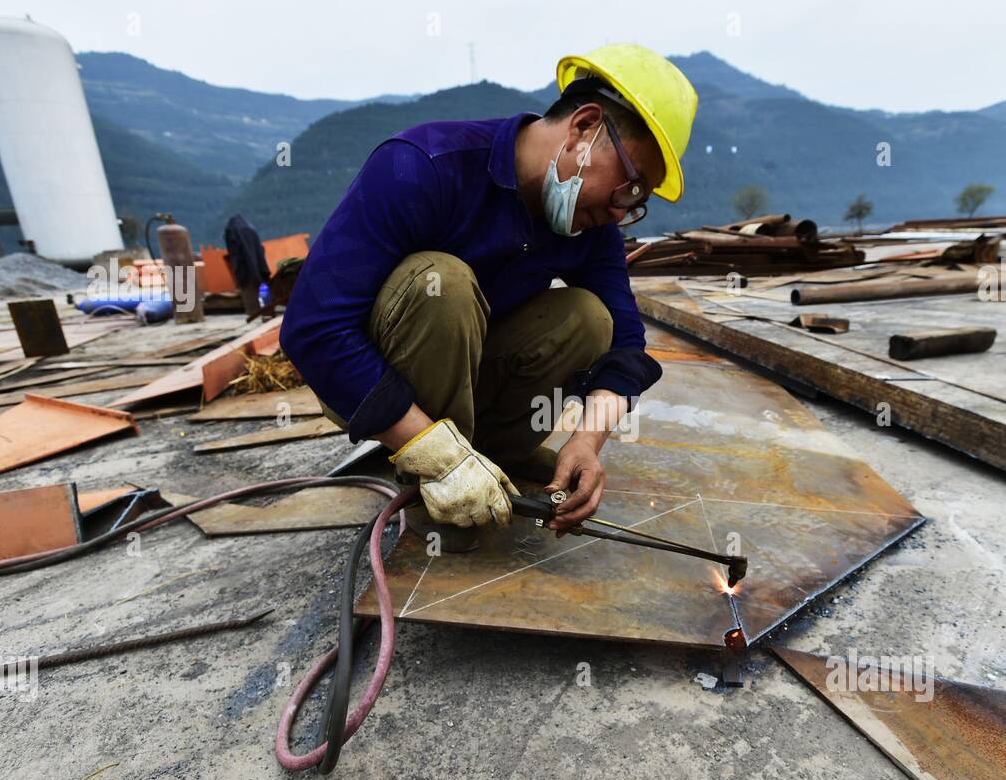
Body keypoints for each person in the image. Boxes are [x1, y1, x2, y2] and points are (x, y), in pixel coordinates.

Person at [280, 44, 698, 551]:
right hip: (370, 376)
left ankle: (491, 458)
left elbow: (626, 341)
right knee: (443, 282)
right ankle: (432, 478)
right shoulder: (423, 167)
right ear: (584, 128)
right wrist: (438, 457)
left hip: (472, 373)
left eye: (637, 202)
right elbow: (315, 329)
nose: (621, 209)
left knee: (590, 317)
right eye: (630, 187)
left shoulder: (585, 226)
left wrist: (587, 441)